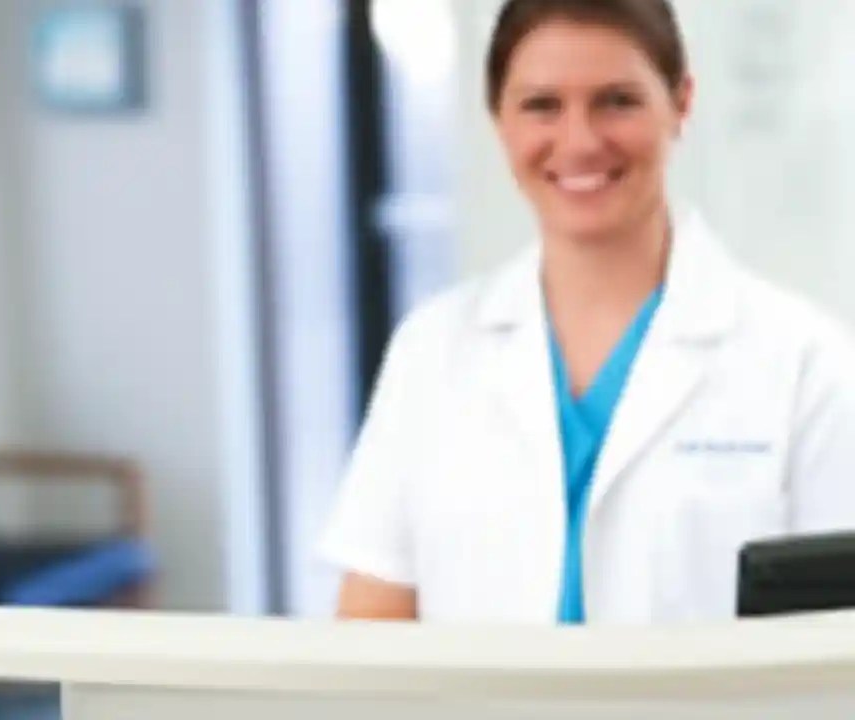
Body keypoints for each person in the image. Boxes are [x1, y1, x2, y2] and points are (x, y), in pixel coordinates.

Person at [319, 0, 855, 625]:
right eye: (541, 105)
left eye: (617, 101)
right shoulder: (430, 352)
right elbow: (369, 633)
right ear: (498, 117)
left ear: (681, 103)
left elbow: (835, 654)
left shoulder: (805, 363)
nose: (578, 141)